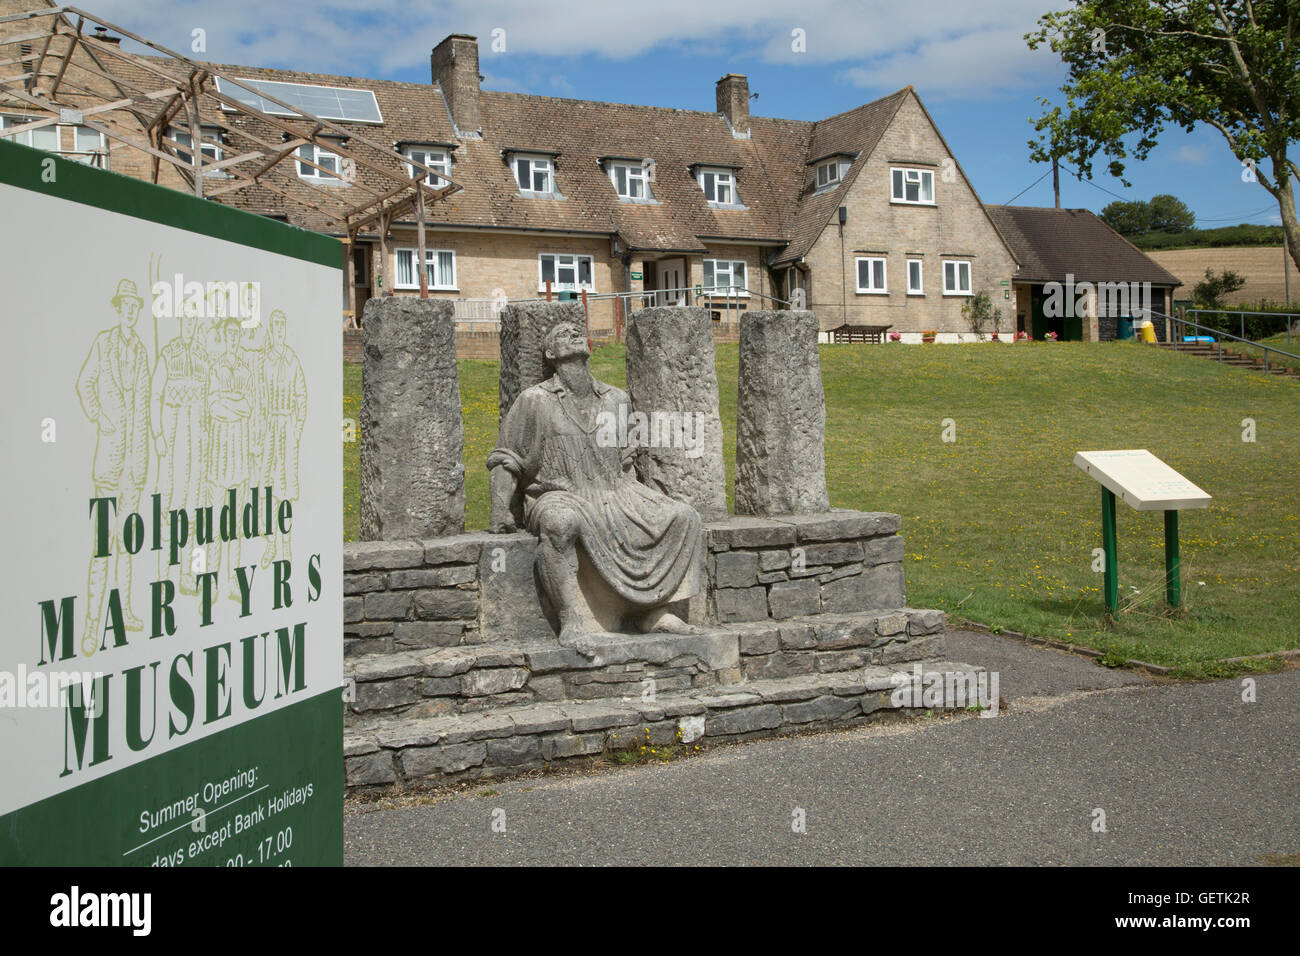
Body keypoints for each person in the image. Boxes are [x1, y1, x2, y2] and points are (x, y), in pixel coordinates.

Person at [487, 320, 704, 644]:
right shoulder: (534, 401)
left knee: (684, 517)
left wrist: (636, 498)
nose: (575, 333)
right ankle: (572, 618)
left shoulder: (616, 399)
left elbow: (626, 461)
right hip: (557, 492)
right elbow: (506, 459)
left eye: (578, 331)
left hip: (614, 490)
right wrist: (500, 509)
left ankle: (653, 610)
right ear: (550, 353)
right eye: (564, 333)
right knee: (561, 523)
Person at [76, 278, 151, 649]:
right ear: (118, 308)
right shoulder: (104, 344)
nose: (131, 312)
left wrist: (144, 461)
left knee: (127, 543)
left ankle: (123, 611)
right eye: (127, 306)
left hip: (133, 464)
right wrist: (100, 417)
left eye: (136, 307)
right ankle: (93, 622)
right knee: (102, 544)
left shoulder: (140, 350)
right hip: (109, 459)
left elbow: (145, 408)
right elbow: (85, 383)